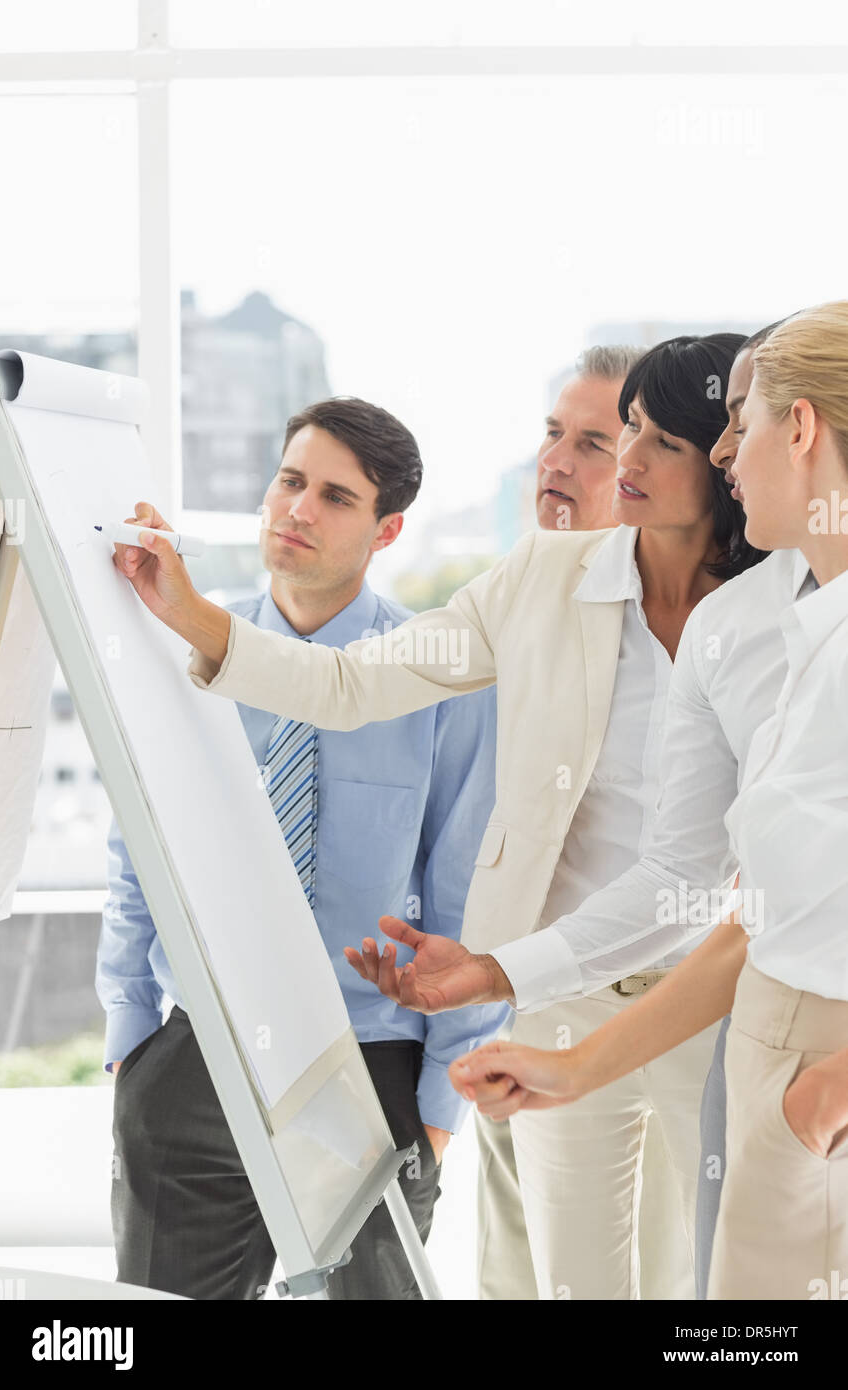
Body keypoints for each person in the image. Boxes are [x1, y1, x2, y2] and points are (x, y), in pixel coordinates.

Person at [110, 333, 760, 1298]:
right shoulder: (545, 578)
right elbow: (347, 682)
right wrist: (195, 615)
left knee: (729, 1289)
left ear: (723, 461)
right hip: (560, 997)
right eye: (623, 431)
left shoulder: (778, 610)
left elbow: (709, 874)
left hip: (719, 995)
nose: (620, 463)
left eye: (656, 442)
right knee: (576, 1287)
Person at [449, 301, 848, 1300]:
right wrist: (577, 1063)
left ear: (798, 431)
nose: (722, 454)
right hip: (766, 1075)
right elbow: (745, 918)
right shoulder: (799, 637)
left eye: (737, 424)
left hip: (810, 1090)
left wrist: (828, 1087)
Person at [96, 396, 503, 1300]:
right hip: (197, 1055)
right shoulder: (180, 645)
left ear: (387, 527)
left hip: (372, 1071)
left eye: (335, 497)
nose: (298, 511)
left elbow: (468, 889)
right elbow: (135, 850)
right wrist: (132, 1038)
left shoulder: (442, 673)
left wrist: (438, 1107)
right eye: (289, 481)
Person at [479, 343, 644, 1302]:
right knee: (512, 1262)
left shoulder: (700, 630)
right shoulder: (518, 597)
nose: (555, 464)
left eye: (590, 443)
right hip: (515, 999)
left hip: (634, 1015)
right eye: (551, 434)